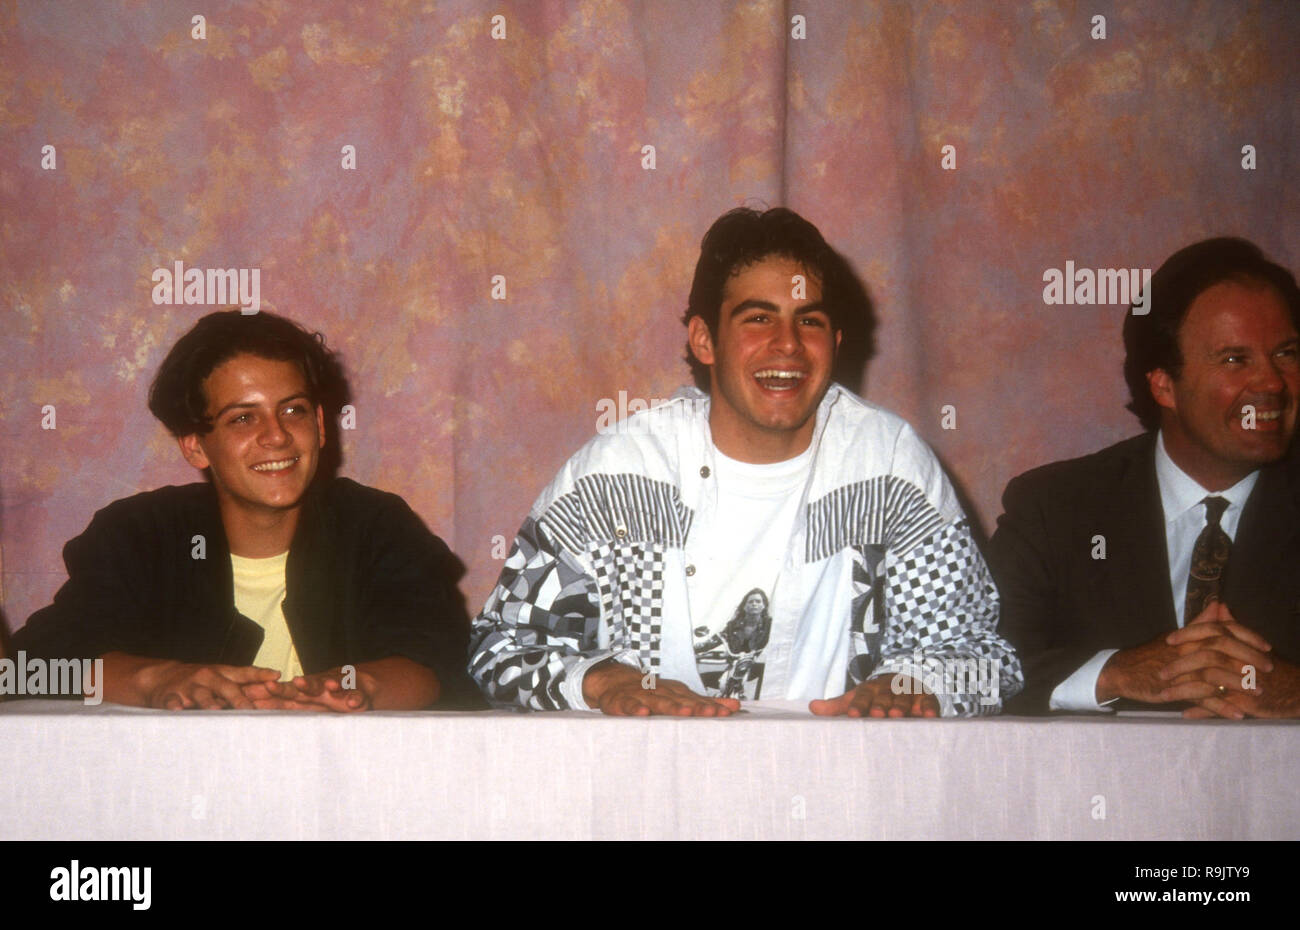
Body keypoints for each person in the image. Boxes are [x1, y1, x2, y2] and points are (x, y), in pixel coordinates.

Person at [470, 207, 1022, 716]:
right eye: (759, 319)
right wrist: (605, 680)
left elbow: (984, 658)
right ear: (704, 340)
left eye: (809, 321)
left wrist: (916, 685)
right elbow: (499, 646)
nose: (787, 345)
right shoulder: (615, 475)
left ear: (835, 340)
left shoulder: (890, 465)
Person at [10, 309, 477, 711]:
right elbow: (31, 669)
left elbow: (439, 659)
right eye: (242, 418)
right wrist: (158, 682)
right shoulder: (141, 536)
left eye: (293, 410)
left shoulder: (376, 527)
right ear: (195, 446)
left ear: (319, 425)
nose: (276, 436)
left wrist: (354, 690)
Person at [989, 237, 1300, 718]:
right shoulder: (1054, 509)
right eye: (1236, 360)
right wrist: (1113, 673)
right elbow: (979, 665)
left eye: (1286, 353)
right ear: (1164, 385)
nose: (1273, 383)